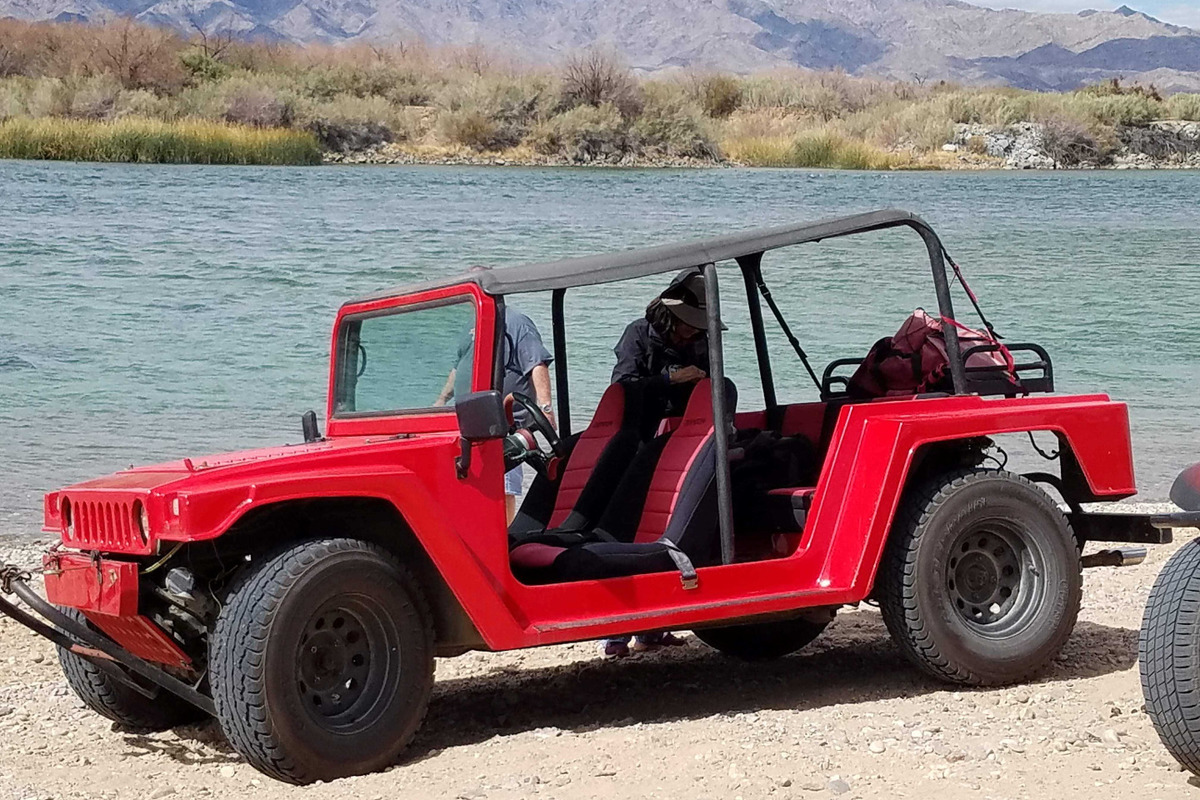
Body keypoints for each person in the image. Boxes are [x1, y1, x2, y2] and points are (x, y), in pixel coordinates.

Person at [601, 267, 715, 658]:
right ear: (670, 318)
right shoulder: (637, 335)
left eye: (697, 328)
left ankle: (654, 629)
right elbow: (622, 389)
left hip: (679, 442)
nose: (692, 335)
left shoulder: (699, 341)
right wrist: (669, 380)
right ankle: (616, 635)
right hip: (637, 442)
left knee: (669, 531)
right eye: (688, 326)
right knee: (631, 532)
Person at [435, 267, 554, 525]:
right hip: (469, 423)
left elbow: (536, 363)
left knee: (502, 487)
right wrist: (441, 400)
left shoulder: (516, 322)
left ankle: (505, 536)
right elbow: (459, 367)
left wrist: (546, 408)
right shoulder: (471, 324)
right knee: (469, 485)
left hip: (504, 424)